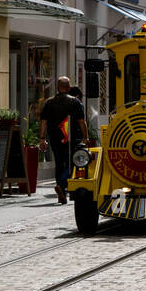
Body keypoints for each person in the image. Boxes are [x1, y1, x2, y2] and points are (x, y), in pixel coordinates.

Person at [40, 76, 89, 204]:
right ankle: (62, 185)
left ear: (57, 88)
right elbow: (82, 122)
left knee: (59, 162)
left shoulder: (49, 102)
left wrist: (42, 139)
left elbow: (43, 122)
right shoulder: (75, 102)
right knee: (70, 163)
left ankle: (60, 189)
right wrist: (86, 137)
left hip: (55, 137)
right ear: (68, 88)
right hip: (71, 137)